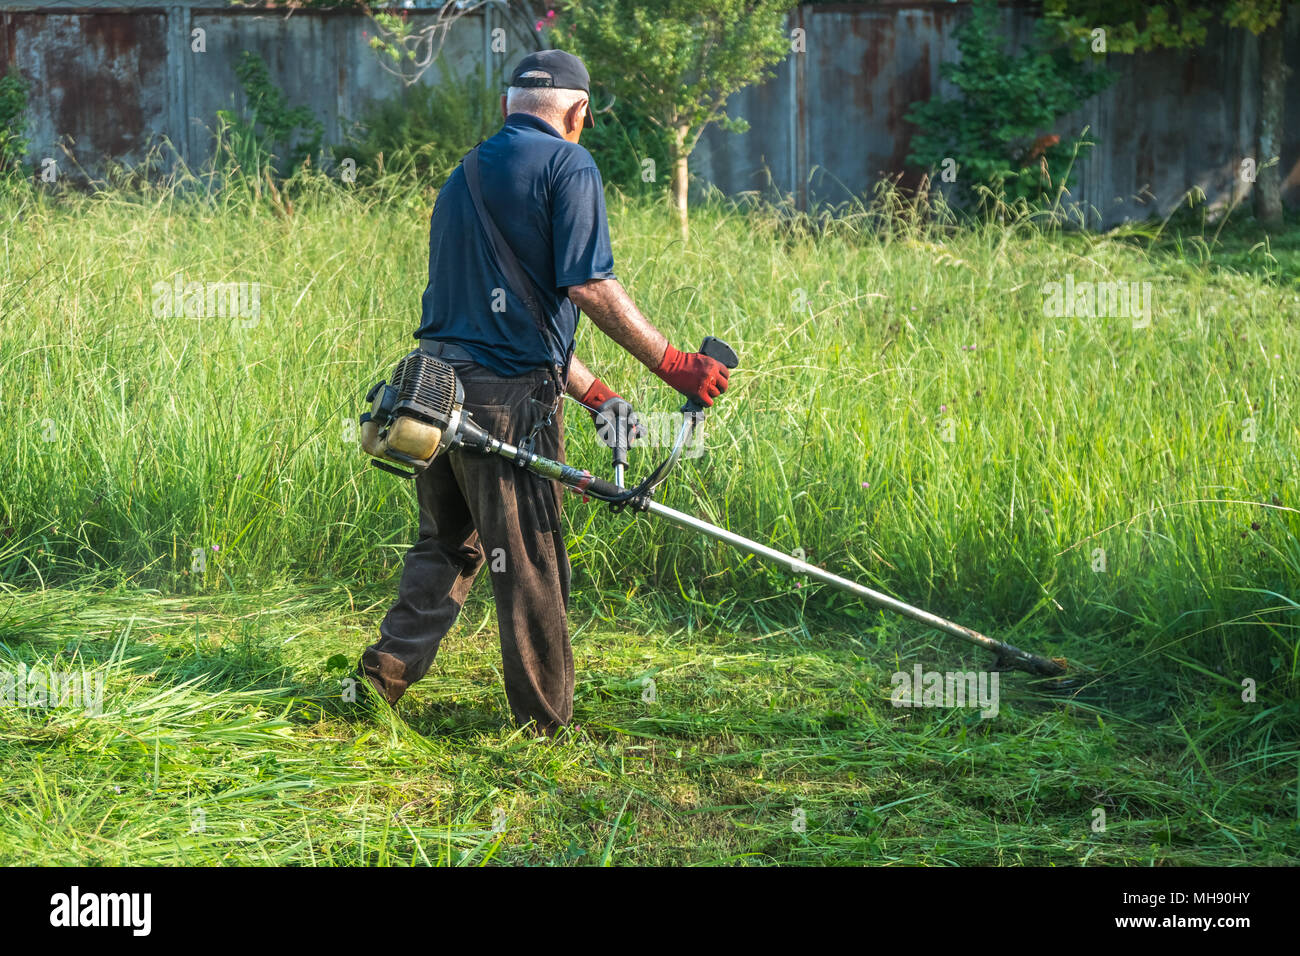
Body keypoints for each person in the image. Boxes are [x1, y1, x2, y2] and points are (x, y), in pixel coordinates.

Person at [358, 50, 730, 736]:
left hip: (429, 391)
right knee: (530, 559)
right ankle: (545, 728)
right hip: (507, 403)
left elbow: (508, 320)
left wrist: (597, 396)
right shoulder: (569, 164)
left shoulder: (462, 175)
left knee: (447, 546)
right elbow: (589, 287)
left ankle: (377, 682)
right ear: (579, 112)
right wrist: (675, 364)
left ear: (507, 107)